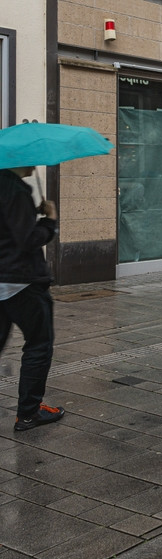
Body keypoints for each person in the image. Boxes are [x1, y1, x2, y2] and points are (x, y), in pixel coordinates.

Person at [0, 166, 65, 432]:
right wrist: (49, 220)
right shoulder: (15, 189)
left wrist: (31, 213)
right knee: (39, 343)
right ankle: (29, 413)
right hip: (22, 281)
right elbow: (27, 240)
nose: (34, 165)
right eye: (31, 159)